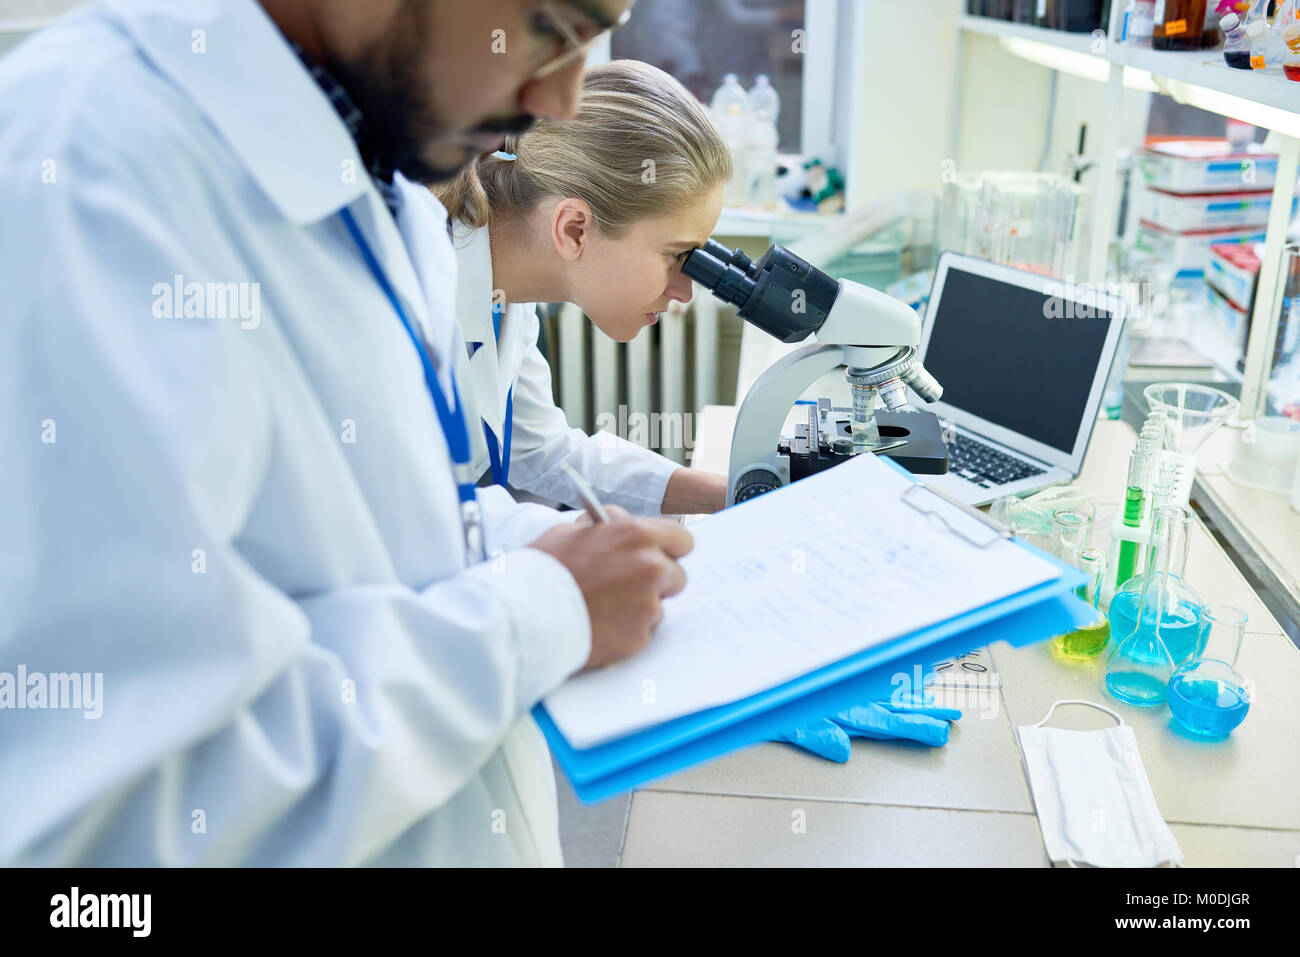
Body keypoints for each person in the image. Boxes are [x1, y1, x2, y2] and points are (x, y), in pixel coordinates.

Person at [0, 0, 692, 867]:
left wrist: (547, 543)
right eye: (551, 25)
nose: (559, 99)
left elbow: (381, 538)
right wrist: (545, 608)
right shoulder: (84, 173)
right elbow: (108, 832)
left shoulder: (374, 182)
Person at [434, 60, 730, 517]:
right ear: (574, 229)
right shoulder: (424, 298)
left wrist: (736, 492)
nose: (685, 291)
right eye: (676, 256)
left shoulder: (509, 294)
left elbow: (542, 454)